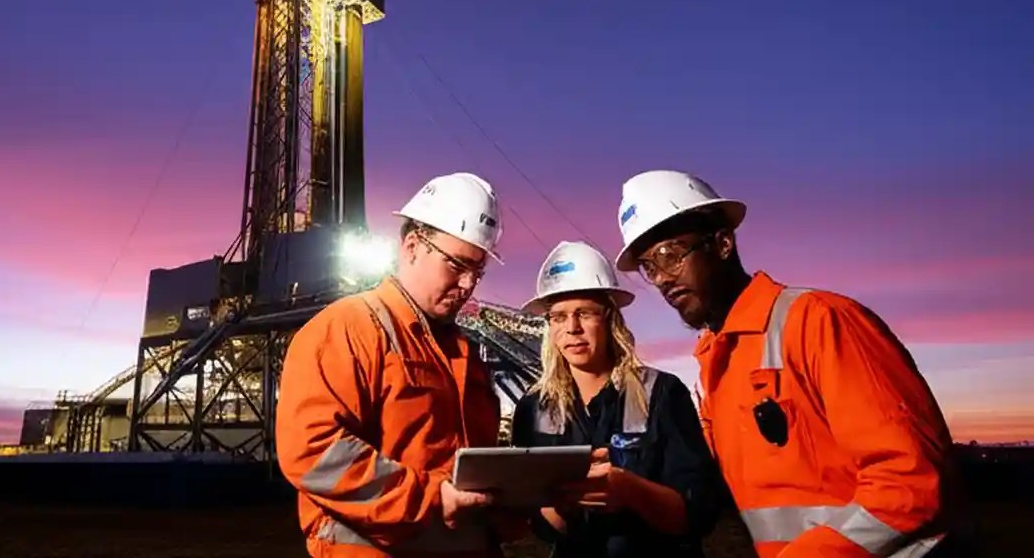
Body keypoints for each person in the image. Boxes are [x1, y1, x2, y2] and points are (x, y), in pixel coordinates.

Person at [611, 169, 962, 558]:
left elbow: (912, 483)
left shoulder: (819, 321)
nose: (661, 278)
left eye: (671, 256)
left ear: (723, 243)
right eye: (649, 266)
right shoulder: (716, 359)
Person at [276, 172, 514, 557]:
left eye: (478, 271)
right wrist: (432, 498)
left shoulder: (464, 354)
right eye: (456, 265)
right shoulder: (347, 329)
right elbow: (314, 452)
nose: (469, 284)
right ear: (412, 246)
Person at [510, 240, 724, 557]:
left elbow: (696, 514)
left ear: (610, 319)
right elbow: (542, 527)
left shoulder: (662, 393)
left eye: (585, 313)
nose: (572, 328)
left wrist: (628, 489)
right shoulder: (533, 408)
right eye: (558, 316)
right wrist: (562, 507)